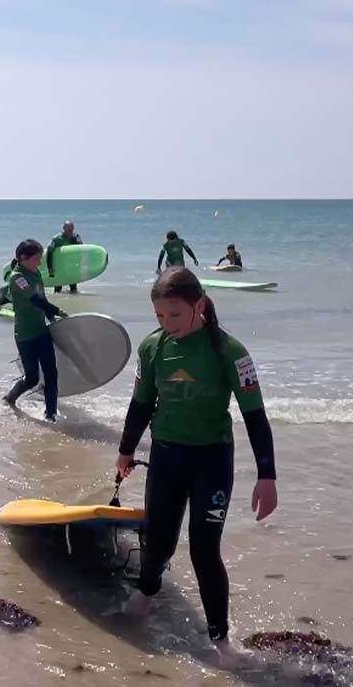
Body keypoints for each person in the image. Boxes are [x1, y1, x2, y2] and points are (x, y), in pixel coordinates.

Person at [115, 267, 277, 655]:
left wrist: (266, 475)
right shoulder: (152, 348)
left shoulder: (229, 352)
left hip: (212, 461)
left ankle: (220, 640)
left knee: (204, 551)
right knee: (157, 540)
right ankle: (148, 594)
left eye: (175, 315)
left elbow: (255, 415)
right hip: (167, 456)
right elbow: (141, 404)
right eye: (159, 317)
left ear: (199, 305)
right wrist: (125, 451)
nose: (167, 324)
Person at [2, 240, 68, 420]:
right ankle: (10, 398)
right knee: (31, 378)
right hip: (25, 335)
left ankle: (51, 415)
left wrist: (52, 319)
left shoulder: (36, 273)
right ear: (23, 259)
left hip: (42, 331)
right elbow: (35, 300)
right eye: (36, 259)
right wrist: (57, 310)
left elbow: (43, 298)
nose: (39, 263)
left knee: (51, 373)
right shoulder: (17, 278)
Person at [48, 220, 83, 293]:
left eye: (72, 230)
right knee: (57, 290)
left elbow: (81, 249)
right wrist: (50, 267)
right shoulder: (57, 239)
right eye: (68, 230)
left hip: (72, 266)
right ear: (63, 228)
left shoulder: (76, 237)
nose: (70, 232)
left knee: (73, 289)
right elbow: (49, 252)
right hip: (60, 266)